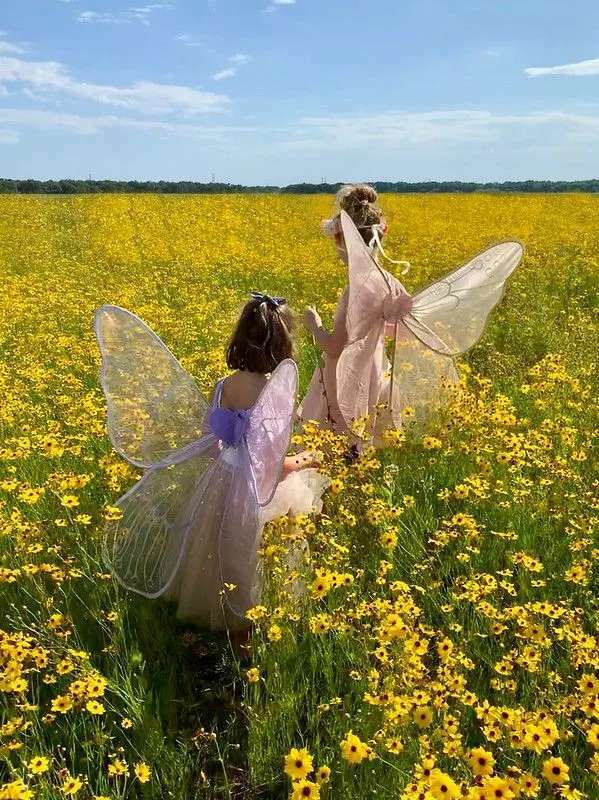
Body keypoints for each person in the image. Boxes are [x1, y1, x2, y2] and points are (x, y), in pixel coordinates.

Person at [94, 294, 329, 639]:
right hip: (258, 492)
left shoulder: (225, 385)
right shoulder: (275, 392)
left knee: (213, 551)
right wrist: (308, 457)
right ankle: (244, 634)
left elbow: (210, 443)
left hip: (220, 479)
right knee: (252, 558)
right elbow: (275, 466)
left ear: (240, 337)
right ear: (284, 343)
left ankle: (212, 619)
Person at [301, 184, 523, 444]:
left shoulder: (354, 291)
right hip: (375, 369)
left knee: (336, 437)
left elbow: (335, 347)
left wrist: (314, 324)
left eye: (337, 242)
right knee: (365, 434)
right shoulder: (390, 282)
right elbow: (400, 331)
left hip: (345, 374)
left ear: (344, 241)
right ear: (381, 236)